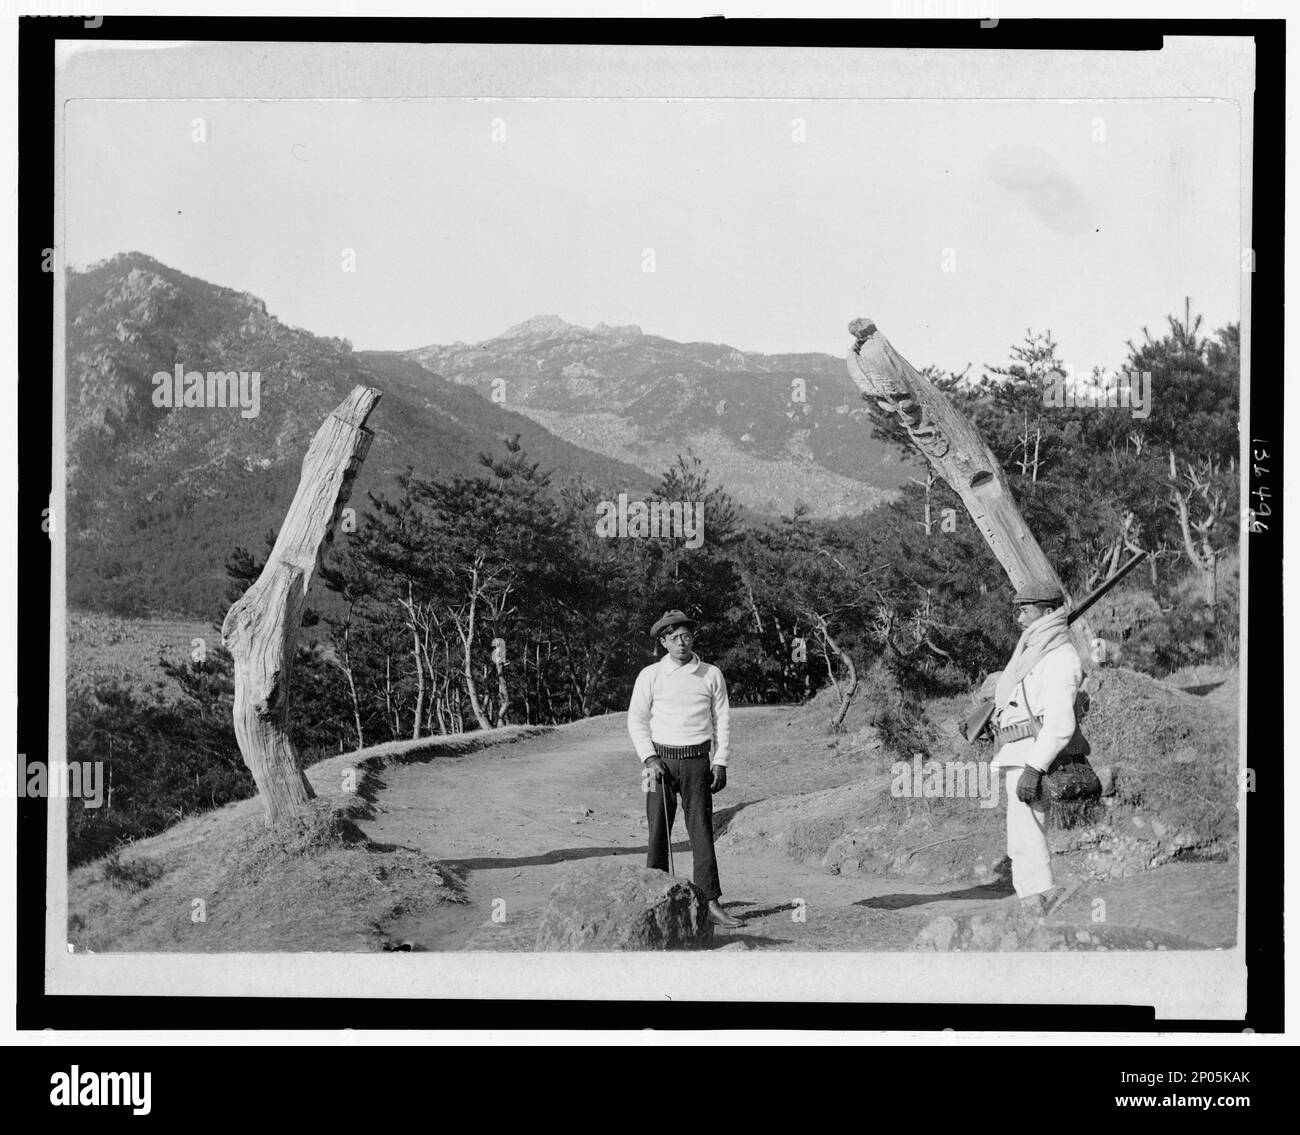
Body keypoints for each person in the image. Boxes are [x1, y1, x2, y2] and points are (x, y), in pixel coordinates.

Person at [627, 609, 743, 929]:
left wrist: (720, 761)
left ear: (693, 638)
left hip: (697, 762)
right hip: (657, 766)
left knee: (702, 830)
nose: (681, 642)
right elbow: (636, 721)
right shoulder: (650, 675)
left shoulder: (710, 673)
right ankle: (654, 896)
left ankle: (710, 901)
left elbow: (723, 720)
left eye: (686, 635)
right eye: (673, 637)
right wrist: (650, 758)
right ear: (663, 642)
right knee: (656, 830)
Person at [988, 578, 1084, 915]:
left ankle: (1040, 904)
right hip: (1018, 753)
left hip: (1035, 759)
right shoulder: (1034, 653)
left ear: (1046, 612)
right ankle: (1035, 904)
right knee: (1021, 839)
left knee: (1029, 838)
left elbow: (1059, 724)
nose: (1019, 619)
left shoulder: (1061, 658)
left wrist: (1035, 767)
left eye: (1025, 610)